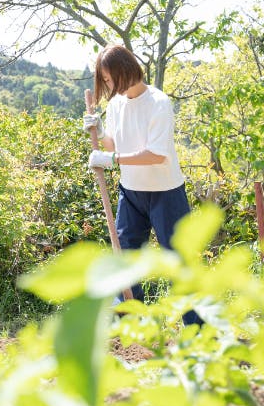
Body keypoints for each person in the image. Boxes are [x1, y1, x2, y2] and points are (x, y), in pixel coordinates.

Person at [84, 44, 201, 325]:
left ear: (125, 71)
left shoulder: (158, 103)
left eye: (109, 79)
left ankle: (197, 330)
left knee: (179, 262)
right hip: (131, 191)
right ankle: (132, 325)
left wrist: (110, 158)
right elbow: (115, 142)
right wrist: (99, 131)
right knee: (125, 256)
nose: (109, 86)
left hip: (166, 193)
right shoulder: (116, 105)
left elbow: (155, 154)